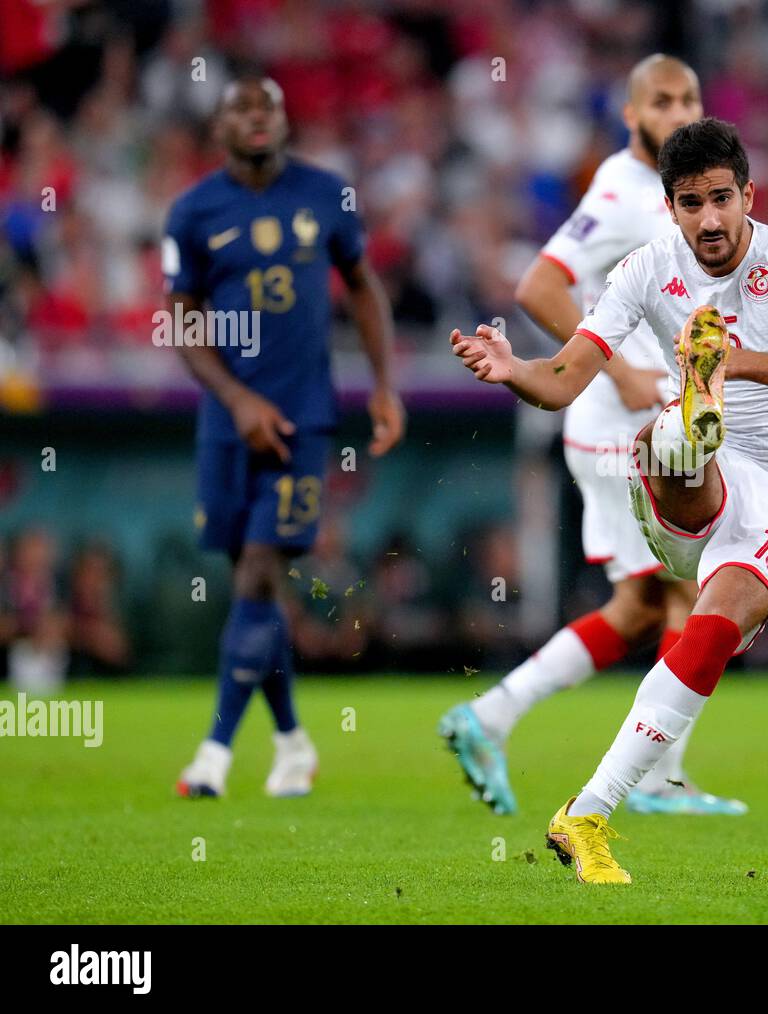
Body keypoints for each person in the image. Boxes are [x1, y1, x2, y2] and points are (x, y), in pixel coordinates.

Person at [450, 117, 768, 882]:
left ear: (749, 195)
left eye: (722, 198)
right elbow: (562, 380)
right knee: (670, 441)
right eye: (691, 202)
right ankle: (691, 428)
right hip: (691, 481)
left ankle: (585, 815)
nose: (710, 218)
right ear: (670, 207)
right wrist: (514, 368)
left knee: (713, 628)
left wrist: (739, 364)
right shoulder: (646, 270)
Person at [438, 55, 744, 817]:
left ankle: (487, 717)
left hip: (643, 425)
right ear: (631, 115)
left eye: (690, 99)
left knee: (641, 607)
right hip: (616, 427)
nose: (678, 111)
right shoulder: (620, 190)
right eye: (662, 101)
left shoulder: (677, 195)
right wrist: (615, 372)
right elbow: (540, 285)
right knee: (692, 589)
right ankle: (660, 780)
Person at [164, 76, 405, 798]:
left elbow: (363, 287)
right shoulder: (193, 211)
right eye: (242, 108)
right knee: (253, 588)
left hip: (304, 420)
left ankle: (212, 754)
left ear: (282, 119)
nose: (258, 118)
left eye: (268, 107)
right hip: (228, 423)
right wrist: (236, 401)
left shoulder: (328, 195)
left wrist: (385, 385)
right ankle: (294, 742)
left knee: (262, 572)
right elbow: (180, 320)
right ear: (221, 127)